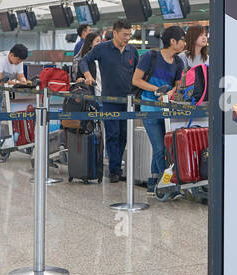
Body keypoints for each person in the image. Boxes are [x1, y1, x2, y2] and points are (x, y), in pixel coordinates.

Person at [79, 19, 139, 182]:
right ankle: (114, 170)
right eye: (124, 34)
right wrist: (88, 75)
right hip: (110, 100)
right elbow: (83, 61)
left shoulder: (132, 51)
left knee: (124, 136)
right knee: (113, 134)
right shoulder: (102, 48)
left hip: (128, 101)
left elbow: (138, 74)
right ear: (115, 33)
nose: (127, 38)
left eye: (129, 34)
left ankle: (117, 166)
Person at [132, 24, 186, 192]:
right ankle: (166, 184)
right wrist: (156, 90)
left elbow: (179, 85)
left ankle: (153, 182)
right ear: (172, 41)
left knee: (166, 147)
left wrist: (171, 92)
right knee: (159, 147)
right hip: (149, 108)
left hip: (166, 110)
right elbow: (136, 80)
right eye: (182, 40)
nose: (184, 43)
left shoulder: (178, 62)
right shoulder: (150, 56)